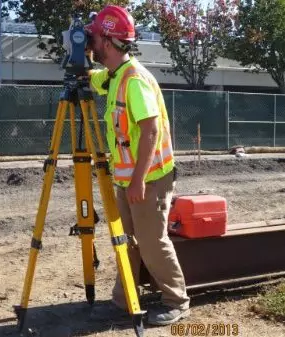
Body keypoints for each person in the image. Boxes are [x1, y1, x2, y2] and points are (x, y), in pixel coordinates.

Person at [85, 5, 190, 325]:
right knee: (124, 241)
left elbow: (150, 131)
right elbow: (95, 80)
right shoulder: (115, 75)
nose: (91, 40)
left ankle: (177, 300)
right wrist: (80, 61)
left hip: (149, 179)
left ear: (107, 40)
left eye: (93, 36)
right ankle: (123, 298)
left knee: (151, 241)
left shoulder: (135, 80)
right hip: (127, 177)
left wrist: (138, 181)